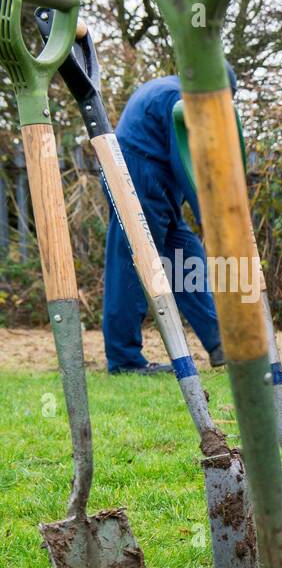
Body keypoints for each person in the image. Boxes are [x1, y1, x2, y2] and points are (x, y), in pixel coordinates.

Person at [102, 69, 235, 374]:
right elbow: (188, 164)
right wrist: (210, 221)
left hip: (155, 186)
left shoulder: (172, 90)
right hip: (137, 180)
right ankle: (124, 360)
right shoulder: (180, 99)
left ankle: (220, 343)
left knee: (187, 258)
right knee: (135, 267)